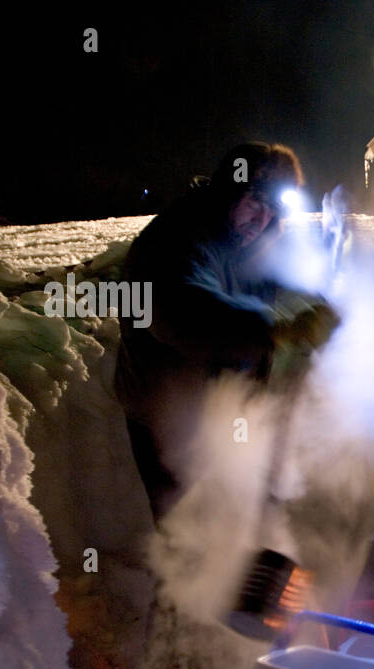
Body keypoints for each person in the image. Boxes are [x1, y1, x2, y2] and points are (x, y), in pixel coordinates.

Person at [114, 142, 335, 520]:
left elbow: (293, 282)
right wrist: (274, 329)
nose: (261, 219)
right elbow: (178, 307)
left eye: (272, 211)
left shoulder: (253, 243)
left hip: (225, 406)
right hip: (166, 409)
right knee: (185, 536)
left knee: (236, 519)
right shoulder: (176, 237)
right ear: (230, 191)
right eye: (254, 201)